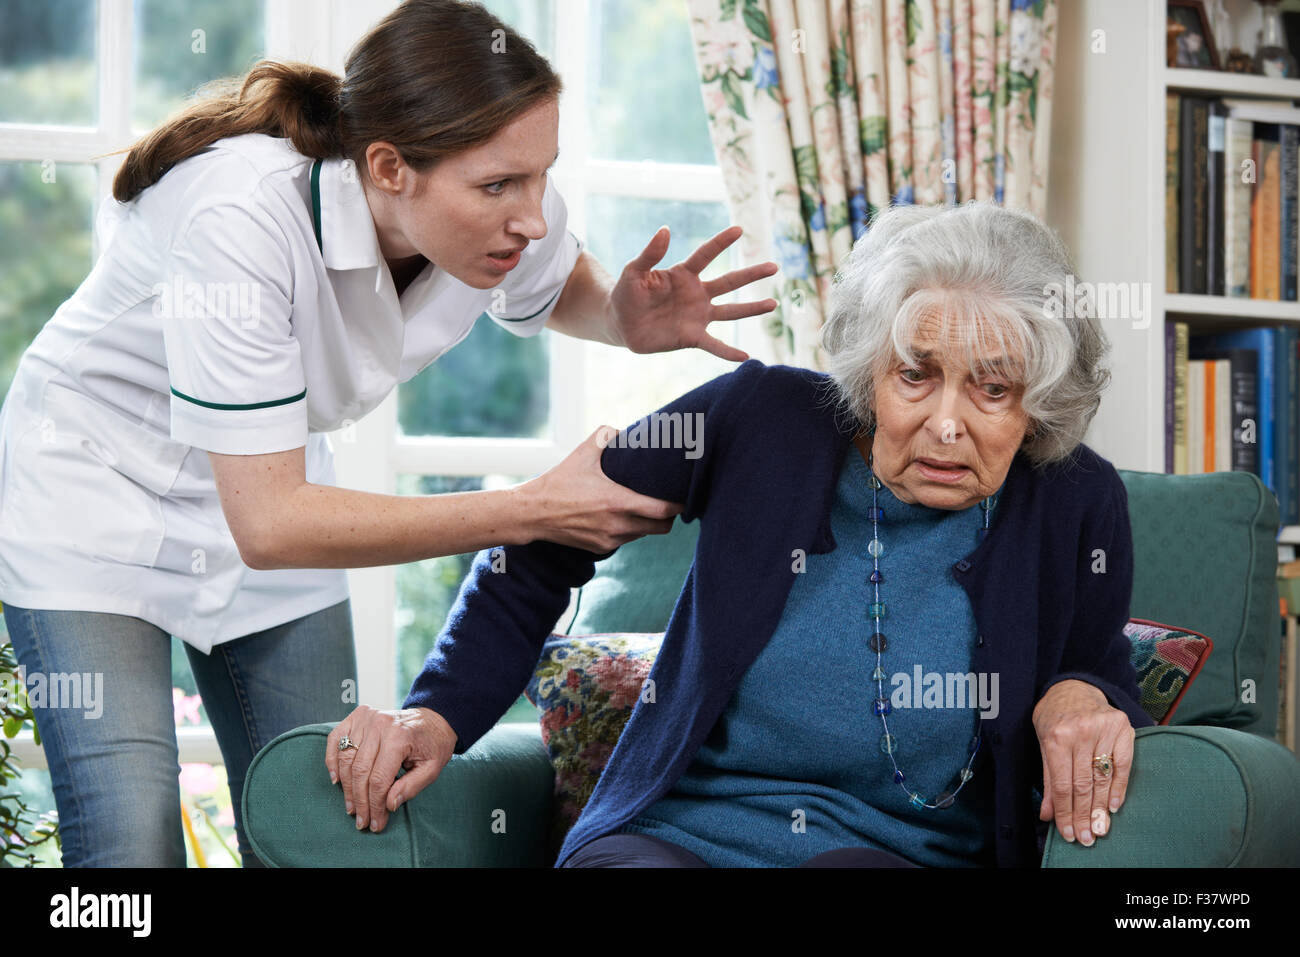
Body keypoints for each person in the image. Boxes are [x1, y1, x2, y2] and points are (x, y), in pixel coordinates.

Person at [0, 0, 778, 867]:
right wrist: (526, 510)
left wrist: (620, 317)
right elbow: (271, 525)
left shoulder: (507, 214)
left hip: (271, 484)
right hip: (98, 495)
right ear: (388, 167)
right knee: (129, 840)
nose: (531, 214)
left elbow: (556, 283)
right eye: (498, 186)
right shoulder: (238, 216)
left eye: (541, 175)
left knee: (323, 823)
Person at [328, 199, 1153, 868]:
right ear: (871, 367)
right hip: (669, 837)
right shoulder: (760, 417)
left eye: (992, 388)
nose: (945, 425)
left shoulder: (1075, 501)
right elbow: (541, 538)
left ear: (1039, 401)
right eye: (915, 373)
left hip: (891, 854)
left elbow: (1098, 673)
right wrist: (433, 712)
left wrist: (1084, 692)